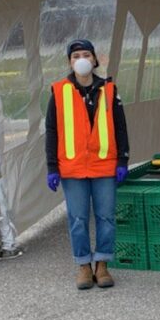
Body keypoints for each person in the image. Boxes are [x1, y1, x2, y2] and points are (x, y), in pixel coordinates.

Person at [45, 39, 130, 290]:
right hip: (72, 168)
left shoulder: (109, 90)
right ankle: (83, 265)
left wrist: (123, 159)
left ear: (94, 59)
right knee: (78, 218)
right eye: (75, 56)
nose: (80, 59)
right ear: (70, 62)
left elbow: (121, 128)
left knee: (106, 216)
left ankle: (102, 264)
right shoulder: (59, 91)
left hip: (104, 165)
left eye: (85, 54)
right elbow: (52, 130)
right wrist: (52, 167)